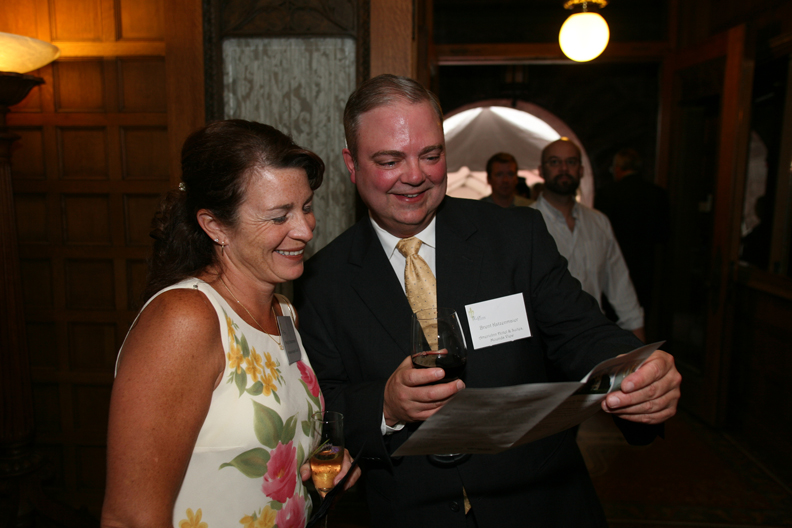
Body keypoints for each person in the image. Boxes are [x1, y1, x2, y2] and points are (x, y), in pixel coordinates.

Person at [294, 75, 680, 528]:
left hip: (539, 506)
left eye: (431, 155)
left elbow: (582, 331)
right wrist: (386, 405)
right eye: (389, 159)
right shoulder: (322, 278)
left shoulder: (517, 237)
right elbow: (325, 403)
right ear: (352, 164)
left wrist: (633, 370)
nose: (415, 175)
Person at [101, 120, 360, 528]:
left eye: (306, 206)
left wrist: (317, 461)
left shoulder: (284, 313)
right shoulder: (186, 319)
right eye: (279, 216)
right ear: (215, 226)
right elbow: (130, 517)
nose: (305, 229)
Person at [532, 139, 646, 342]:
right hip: (543, 345)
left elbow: (620, 284)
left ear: (582, 170)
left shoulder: (599, 222)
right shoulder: (525, 224)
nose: (564, 168)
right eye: (555, 162)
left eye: (571, 162)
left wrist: (638, 339)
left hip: (595, 339)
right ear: (541, 170)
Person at [594, 148, 670, 321]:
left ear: (619, 168)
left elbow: (599, 236)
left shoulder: (608, 194)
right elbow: (663, 236)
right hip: (646, 269)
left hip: (612, 269)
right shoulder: (657, 194)